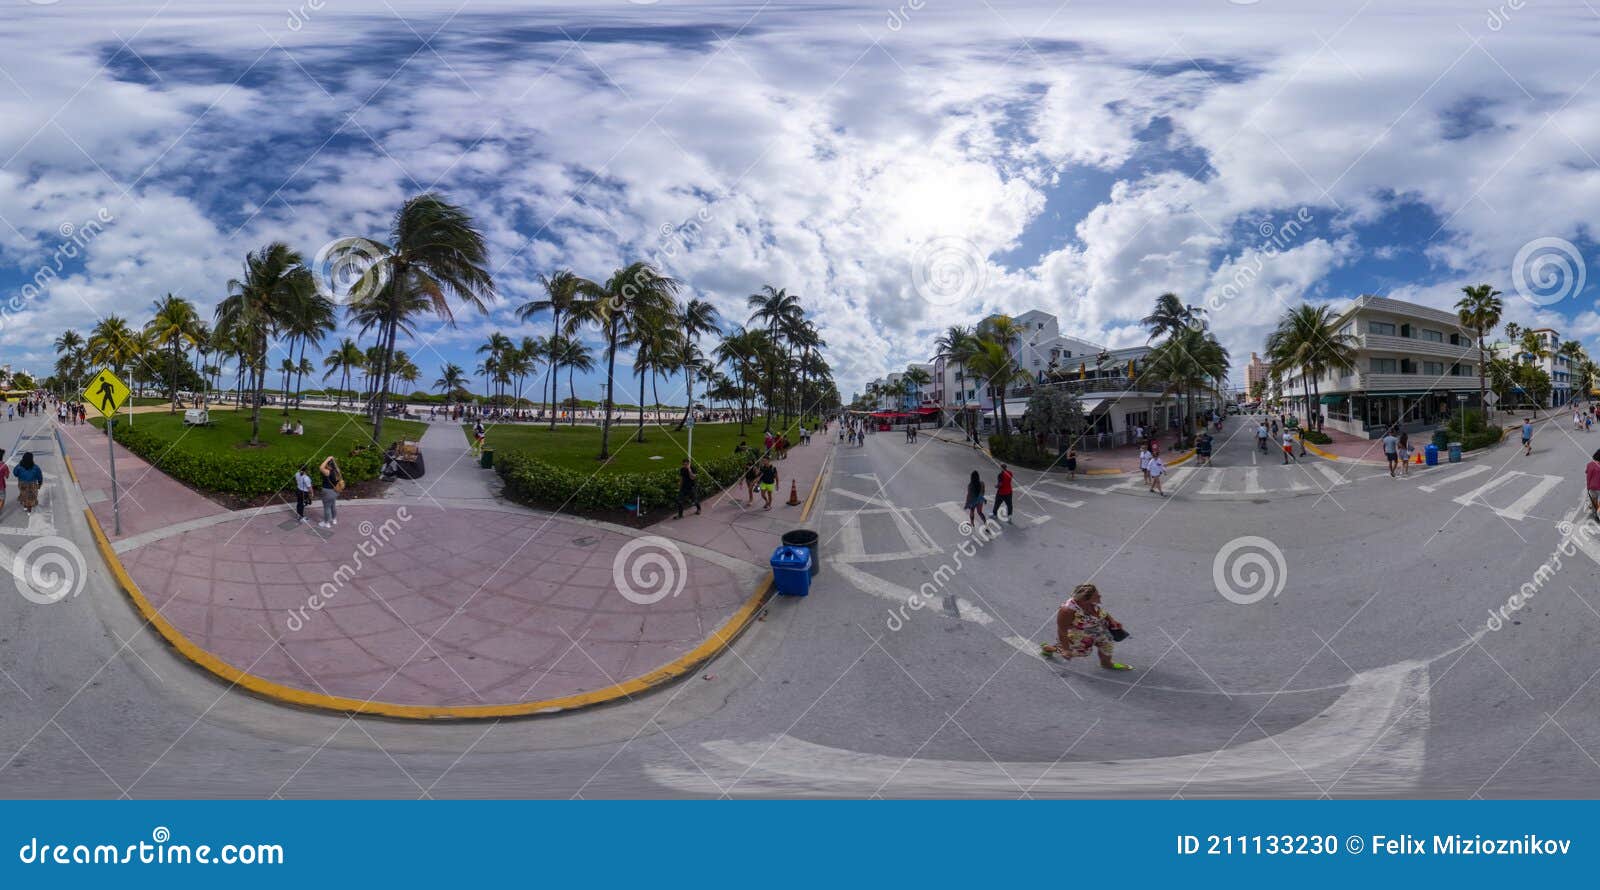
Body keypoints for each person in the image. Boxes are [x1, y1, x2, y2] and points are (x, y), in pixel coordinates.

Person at [1044, 583, 1132, 671]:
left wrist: (1112, 620)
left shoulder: (1092, 603)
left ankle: (1107, 664)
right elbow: (1062, 631)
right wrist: (1066, 650)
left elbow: (1101, 611)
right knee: (1081, 653)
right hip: (1080, 635)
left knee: (1107, 644)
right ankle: (1051, 648)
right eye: (1096, 596)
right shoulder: (1067, 611)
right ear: (1084, 600)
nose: (1100, 596)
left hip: (1099, 629)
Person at [317, 456, 341, 529]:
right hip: (335, 491)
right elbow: (336, 466)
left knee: (327, 507)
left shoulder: (328, 472)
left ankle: (326, 523)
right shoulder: (337, 471)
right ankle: (334, 519)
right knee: (333, 505)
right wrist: (333, 460)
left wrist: (327, 459)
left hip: (327, 492)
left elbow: (321, 467)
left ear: (327, 465)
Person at [1587, 449, 1600, 523]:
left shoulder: (1590, 465)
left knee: (1594, 500)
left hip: (1592, 487)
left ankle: (1595, 514)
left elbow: (1588, 476)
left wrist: (1588, 486)